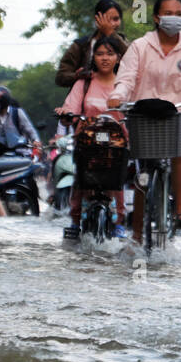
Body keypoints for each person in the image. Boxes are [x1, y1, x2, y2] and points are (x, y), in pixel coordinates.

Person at [107, 0, 181, 243]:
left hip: (176, 112)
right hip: (143, 112)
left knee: (180, 153)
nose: (174, 19)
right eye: (168, 14)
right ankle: (136, 233)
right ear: (156, 17)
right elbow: (126, 77)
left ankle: (178, 210)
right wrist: (117, 95)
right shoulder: (140, 46)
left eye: (178, 14)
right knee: (144, 171)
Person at [56, 35, 126, 236]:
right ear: (93, 57)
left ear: (119, 58)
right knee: (80, 177)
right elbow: (70, 107)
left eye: (110, 54)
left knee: (118, 177)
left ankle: (120, 219)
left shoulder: (125, 84)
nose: (105, 58)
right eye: (100, 53)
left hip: (117, 143)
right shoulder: (84, 84)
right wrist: (65, 113)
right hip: (87, 141)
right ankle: (75, 219)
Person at [56, 0, 129, 88]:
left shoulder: (124, 43)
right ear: (97, 19)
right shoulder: (81, 45)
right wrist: (78, 75)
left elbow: (134, 62)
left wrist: (110, 34)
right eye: (108, 19)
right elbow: (61, 77)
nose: (112, 24)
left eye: (116, 19)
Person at [0, 85, 40, 154]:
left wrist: (36, 142)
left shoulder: (18, 112)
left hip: (20, 153)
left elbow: (30, 130)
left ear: (3, 102)